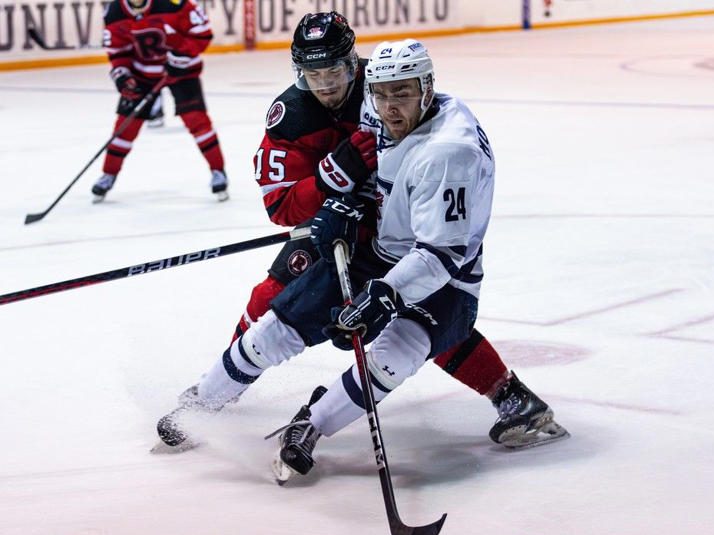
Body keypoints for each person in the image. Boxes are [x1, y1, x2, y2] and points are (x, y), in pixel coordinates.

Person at [155, 15, 566, 459]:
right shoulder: (298, 115)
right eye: (315, 74)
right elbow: (282, 207)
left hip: (409, 234)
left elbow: (434, 244)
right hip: (352, 225)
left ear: (355, 65)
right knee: (278, 297)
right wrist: (334, 190)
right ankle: (215, 395)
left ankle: (507, 393)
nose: (328, 84)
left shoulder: (413, 114)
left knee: (422, 324)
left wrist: (383, 280)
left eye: (336, 71)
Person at [91, 0, 228, 202]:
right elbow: (118, 51)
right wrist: (122, 75)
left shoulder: (175, 3)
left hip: (183, 72)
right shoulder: (114, 11)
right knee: (125, 126)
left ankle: (218, 171)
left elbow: (202, 33)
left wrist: (180, 55)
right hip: (142, 74)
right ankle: (108, 174)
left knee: (197, 121)